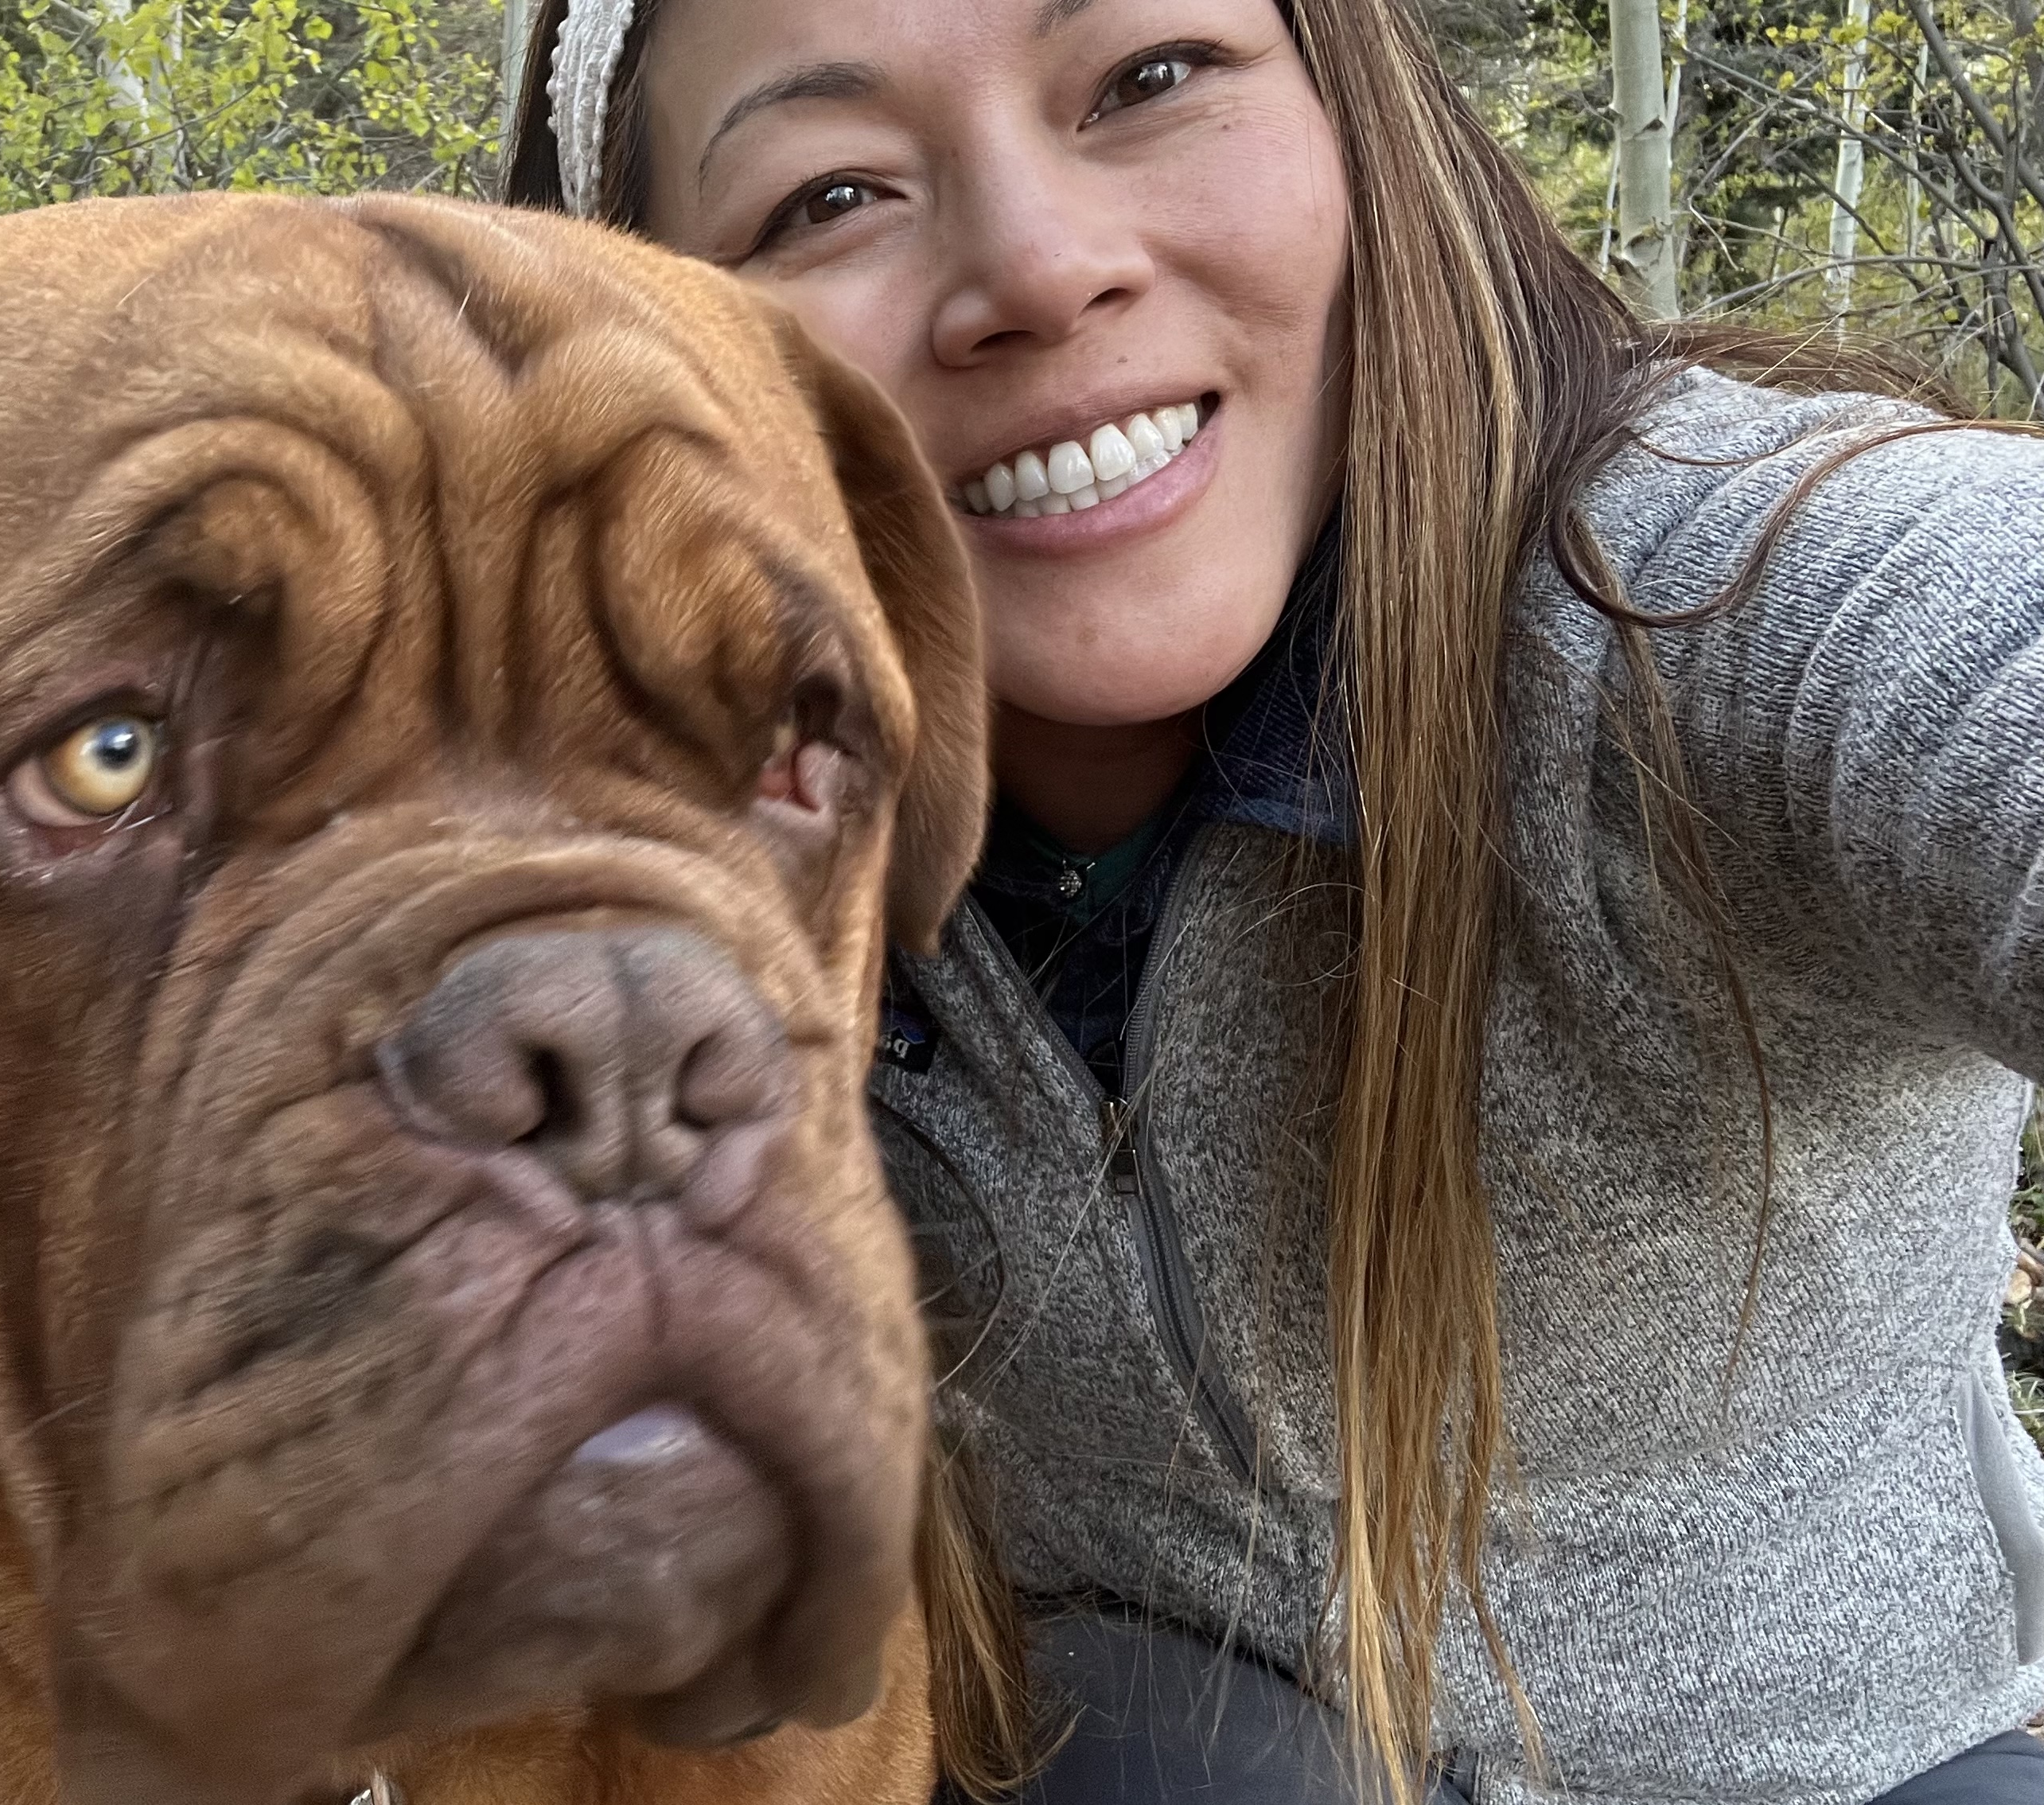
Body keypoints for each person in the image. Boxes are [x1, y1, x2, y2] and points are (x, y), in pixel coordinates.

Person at [503, 2, 2044, 1803]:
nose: (1039, 267)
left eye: (1149, 78)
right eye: (830, 192)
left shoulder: (1731, 604)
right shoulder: (651, 883)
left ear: (1350, 108)